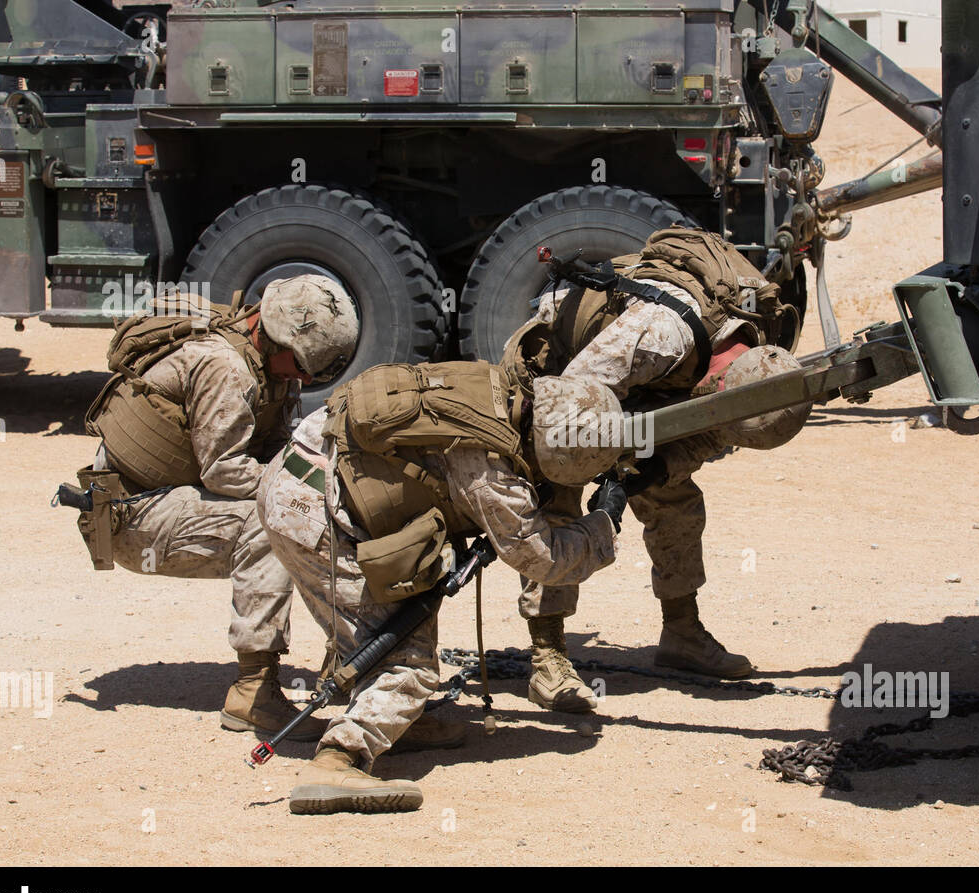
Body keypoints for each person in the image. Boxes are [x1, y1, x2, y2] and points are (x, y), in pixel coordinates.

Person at [256, 360, 627, 814]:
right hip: (313, 514)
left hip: (298, 477)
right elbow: (543, 559)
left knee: (394, 607)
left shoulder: (491, 390)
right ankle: (338, 759)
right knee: (407, 662)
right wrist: (605, 522)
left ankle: (397, 723)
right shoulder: (490, 469)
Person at [501, 227, 814, 711]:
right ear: (715, 390)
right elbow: (566, 410)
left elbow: (704, 434)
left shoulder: (761, 351)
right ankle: (547, 655)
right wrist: (612, 462)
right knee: (558, 491)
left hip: (639, 389)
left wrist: (654, 467)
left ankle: (682, 634)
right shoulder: (660, 336)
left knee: (675, 499)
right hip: (560, 369)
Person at [74, 275, 358, 741]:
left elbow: (275, 451)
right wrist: (311, 491)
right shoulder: (226, 367)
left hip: (173, 498)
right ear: (275, 335)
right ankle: (254, 689)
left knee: (306, 507)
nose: (306, 379)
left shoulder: (270, 366)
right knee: (275, 524)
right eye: (304, 365)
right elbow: (225, 471)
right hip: (136, 516)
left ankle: (345, 659)